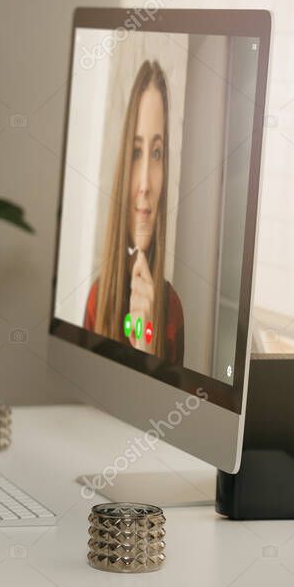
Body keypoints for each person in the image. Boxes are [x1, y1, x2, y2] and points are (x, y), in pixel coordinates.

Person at [84, 59, 185, 364]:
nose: (144, 184)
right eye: (137, 152)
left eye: (156, 153)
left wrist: (146, 350)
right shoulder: (96, 300)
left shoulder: (173, 312)